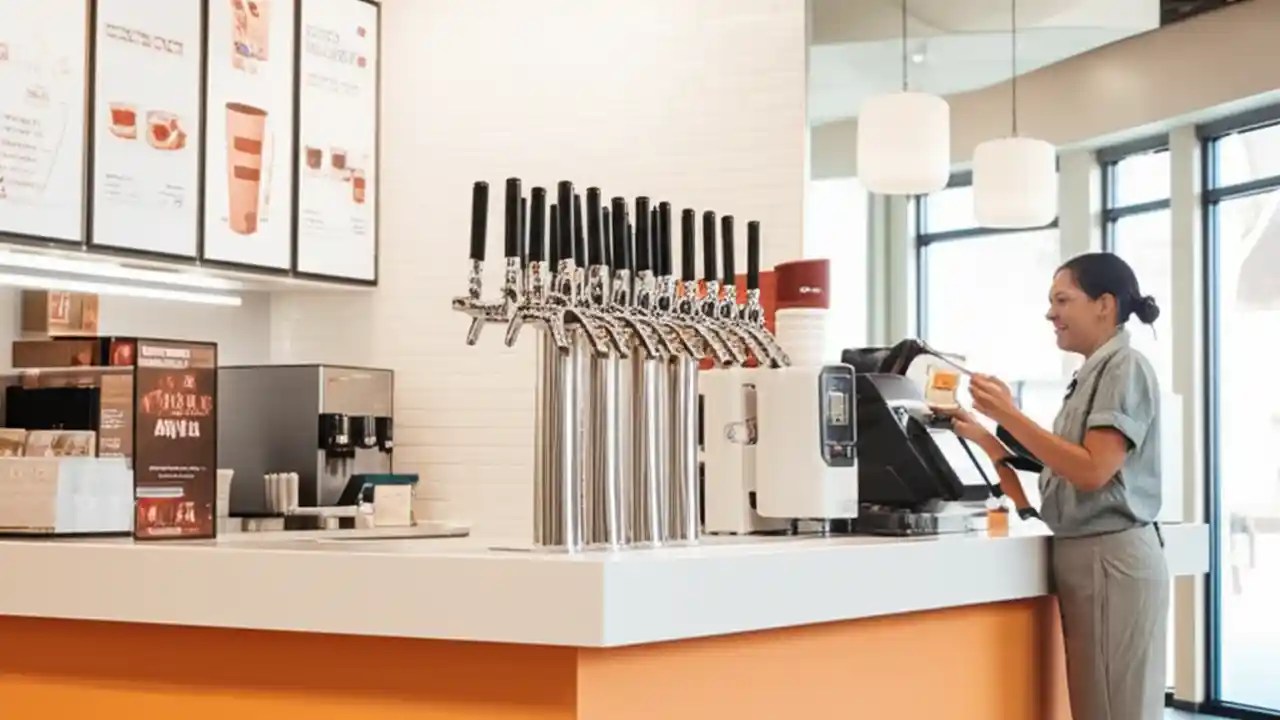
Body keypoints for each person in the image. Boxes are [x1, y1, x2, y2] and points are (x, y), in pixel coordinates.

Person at [938, 252, 1168, 720]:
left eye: (1063, 300)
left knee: (1110, 708)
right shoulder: (1093, 372)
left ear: (1104, 304)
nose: (1051, 313)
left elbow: (1091, 471)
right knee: (1099, 704)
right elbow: (1062, 464)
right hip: (1091, 556)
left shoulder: (1125, 367)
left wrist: (1009, 415)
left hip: (1108, 557)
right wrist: (987, 434)